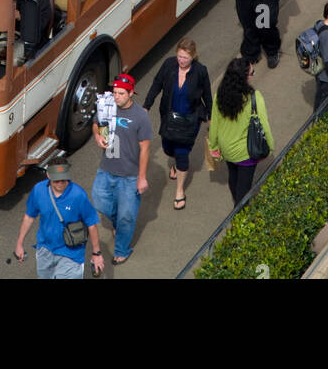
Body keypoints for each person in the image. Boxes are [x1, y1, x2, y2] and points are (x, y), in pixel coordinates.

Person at [143, 38, 212, 210]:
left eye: (185, 58)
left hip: (189, 120)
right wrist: (146, 106)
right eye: (179, 56)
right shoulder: (168, 65)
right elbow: (157, 84)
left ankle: (180, 190)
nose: (181, 60)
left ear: (193, 57)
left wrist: (211, 117)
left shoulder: (200, 71)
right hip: (169, 118)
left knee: (182, 153)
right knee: (168, 148)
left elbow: (207, 96)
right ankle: (175, 163)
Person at [91, 74, 152, 264]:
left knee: (127, 216)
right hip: (107, 168)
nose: (116, 97)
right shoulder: (107, 105)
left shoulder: (140, 116)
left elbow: (145, 148)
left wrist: (142, 177)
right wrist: (97, 136)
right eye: (115, 92)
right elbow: (96, 123)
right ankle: (118, 223)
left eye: (121, 93)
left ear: (131, 93)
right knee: (99, 201)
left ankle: (122, 250)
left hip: (130, 176)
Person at [14, 159, 104, 280]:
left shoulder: (78, 195)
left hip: (71, 254)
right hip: (45, 249)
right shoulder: (38, 190)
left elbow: (91, 223)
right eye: (56, 180)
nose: (60, 183)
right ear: (48, 175)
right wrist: (19, 243)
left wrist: (96, 253)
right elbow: (29, 217)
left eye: (64, 179)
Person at [208, 56, 274, 206]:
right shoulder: (254, 98)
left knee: (233, 177)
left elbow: (215, 124)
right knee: (244, 190)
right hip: (245, 152)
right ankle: (240, 215)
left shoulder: (220, 96)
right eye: (252, 73)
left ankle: (236, 202)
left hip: (227, 149)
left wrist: (213, 146)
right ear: (244, 77)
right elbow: (264, 124)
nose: (252, 76)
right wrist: (269, 148)